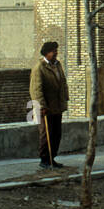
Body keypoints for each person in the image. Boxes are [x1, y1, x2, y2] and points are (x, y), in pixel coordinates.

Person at [30, 41, 68, 169]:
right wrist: (41, 107)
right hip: (45, 108)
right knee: (46, 134)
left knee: (56, 134)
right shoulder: (39, 68)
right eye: (53, 51)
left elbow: (63, 82)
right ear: (46, 53)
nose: (56, 53)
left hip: (57, 106)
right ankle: (44, 159)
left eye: (56, 50)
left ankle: (52, 158)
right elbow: (36, 89)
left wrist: (65, 99)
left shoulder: (57, 65)